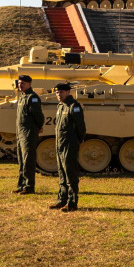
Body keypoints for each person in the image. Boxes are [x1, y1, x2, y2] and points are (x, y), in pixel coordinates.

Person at [50, 82, 85, 212]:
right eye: (57, 92)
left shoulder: (73, 106)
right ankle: (61, 200)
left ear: (68, 92)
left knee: (70, 174)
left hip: (69, 144)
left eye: (62, 92)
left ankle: (72, 203)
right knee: (62, 174)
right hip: (60, 144)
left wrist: (78, 140)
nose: (59, 94)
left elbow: (81, 127)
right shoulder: (60, 106)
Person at [13, 74, 44, 194]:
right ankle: (22, 185)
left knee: (28, 160)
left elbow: (38, 115)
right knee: (21, 159)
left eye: (23, 83)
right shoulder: (22, 97)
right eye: (19, 83)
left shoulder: (32, 97)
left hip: (29, 132)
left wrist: (39, 126)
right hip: (20, 132)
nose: (20, 85)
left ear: (29, 84)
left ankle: (29, 186)